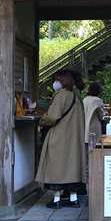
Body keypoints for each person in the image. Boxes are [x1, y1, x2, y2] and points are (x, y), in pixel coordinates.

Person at [35, 70, 86, 209]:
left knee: (56, 168)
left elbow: (52, 117)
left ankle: (56, 199)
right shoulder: (76, 96)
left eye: (56, 80)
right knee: (72, 168)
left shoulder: (61, 96)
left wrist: (42, 119)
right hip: (74, 138)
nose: (54, 83)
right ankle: (73, 198)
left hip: (59, 137)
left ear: (62, 81)